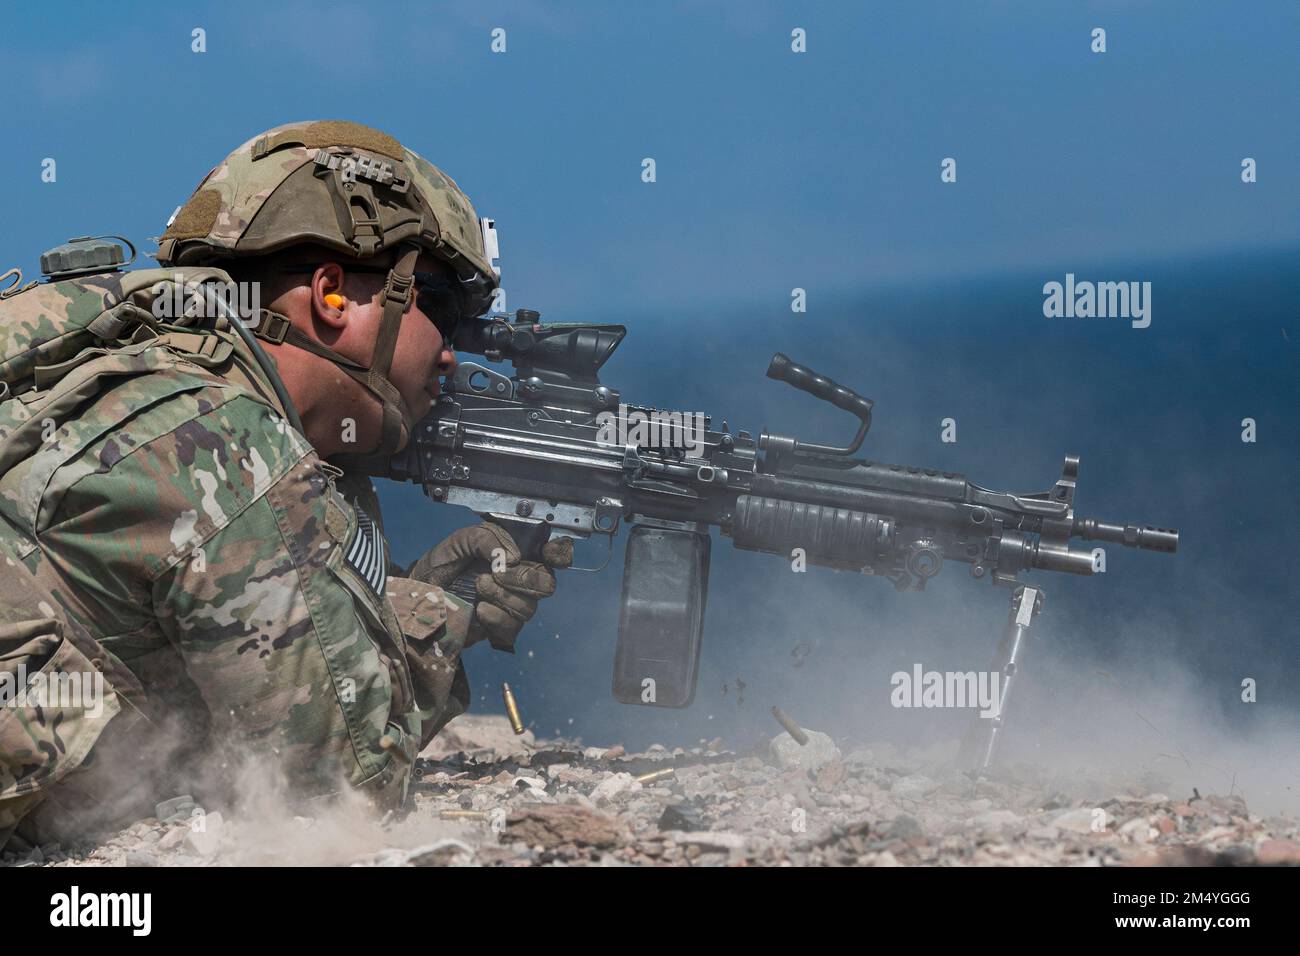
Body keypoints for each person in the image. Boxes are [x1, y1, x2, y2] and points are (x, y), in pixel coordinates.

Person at [0, 120, 569, 848]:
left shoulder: (141, 380)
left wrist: (418, 603)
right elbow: (341, 787)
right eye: (442, 306)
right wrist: (443, 618)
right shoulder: (226, 445)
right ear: (332, 293)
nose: (452, 355)